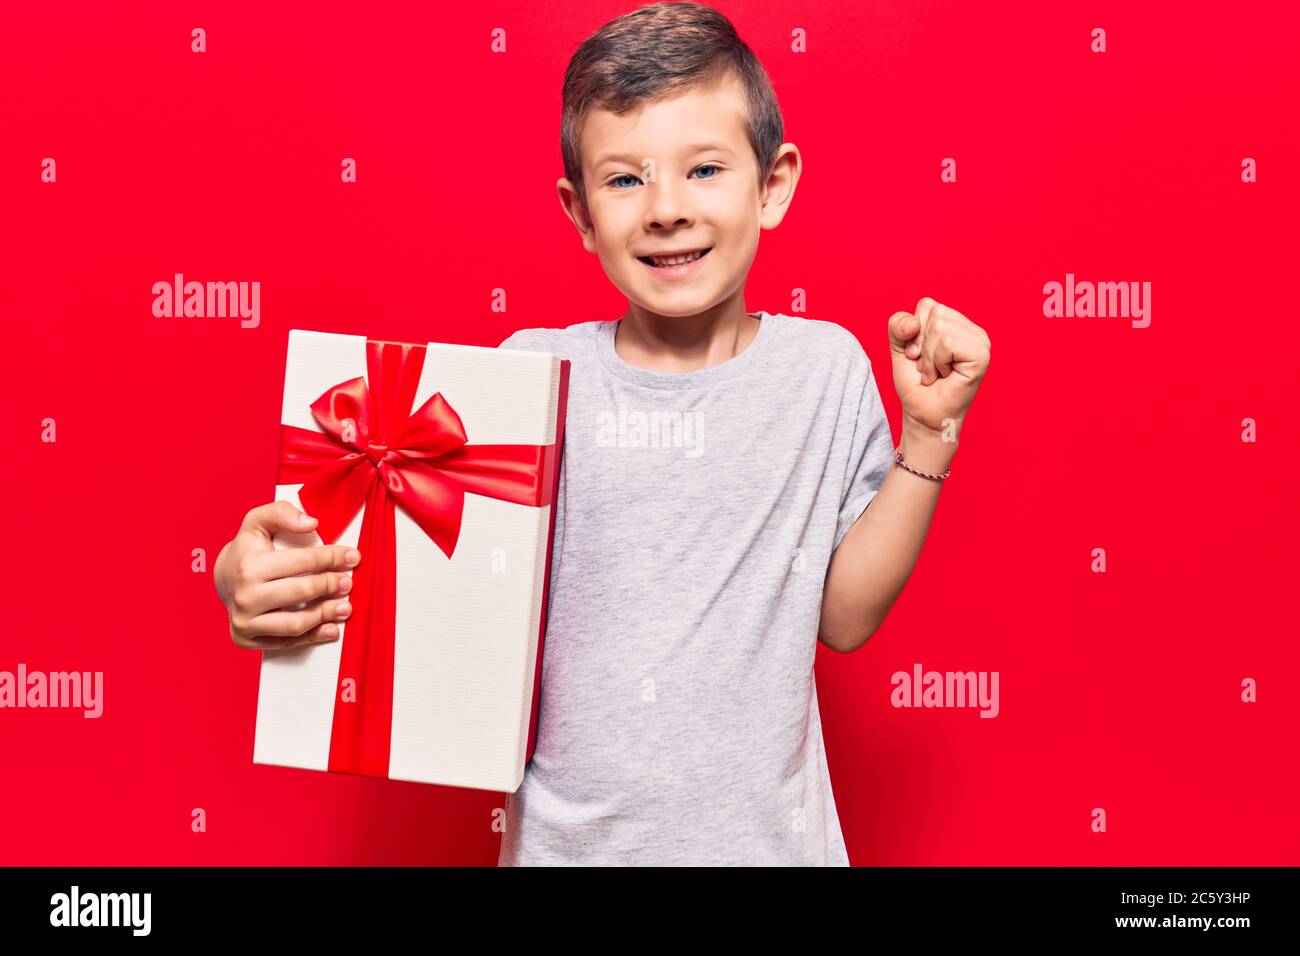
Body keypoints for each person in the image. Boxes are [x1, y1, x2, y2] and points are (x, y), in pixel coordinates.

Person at [213, 1, 991, 865]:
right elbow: (405, 562)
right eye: (624, 180)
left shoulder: (824, 370)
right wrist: (256, 580)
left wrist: (929, 437)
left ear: (772, 186)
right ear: (580, 211)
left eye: (704, 169)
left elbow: (843, 620)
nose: (665, 209)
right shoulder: (527, 380)